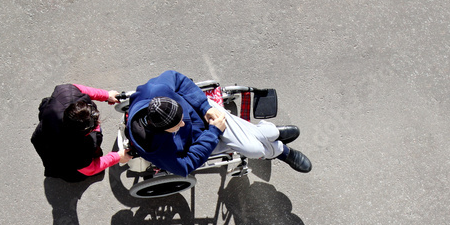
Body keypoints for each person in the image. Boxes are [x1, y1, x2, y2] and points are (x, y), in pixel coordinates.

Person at [125, 70, 311, 177]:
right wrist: (213, 133)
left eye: (181, 118)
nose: (182, 124)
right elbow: (186, 165)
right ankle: (274, 139)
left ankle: (278, 147)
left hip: (207, 114)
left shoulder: (156, 91)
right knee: (255, 150)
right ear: (162, 130)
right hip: (202, 142)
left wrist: (205, 107)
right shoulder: (156, 149)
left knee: (254, 148)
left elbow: (179, 80)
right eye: (177, 126)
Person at [31, 84, 130, 181]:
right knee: (73, 171)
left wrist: (106, 95)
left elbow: (78, 89)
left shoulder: (66, 93)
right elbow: (89, 169)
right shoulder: (77, 150)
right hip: (58, 153)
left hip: (45, 131)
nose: (99, 121)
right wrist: (117, 157)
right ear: (85, 133)